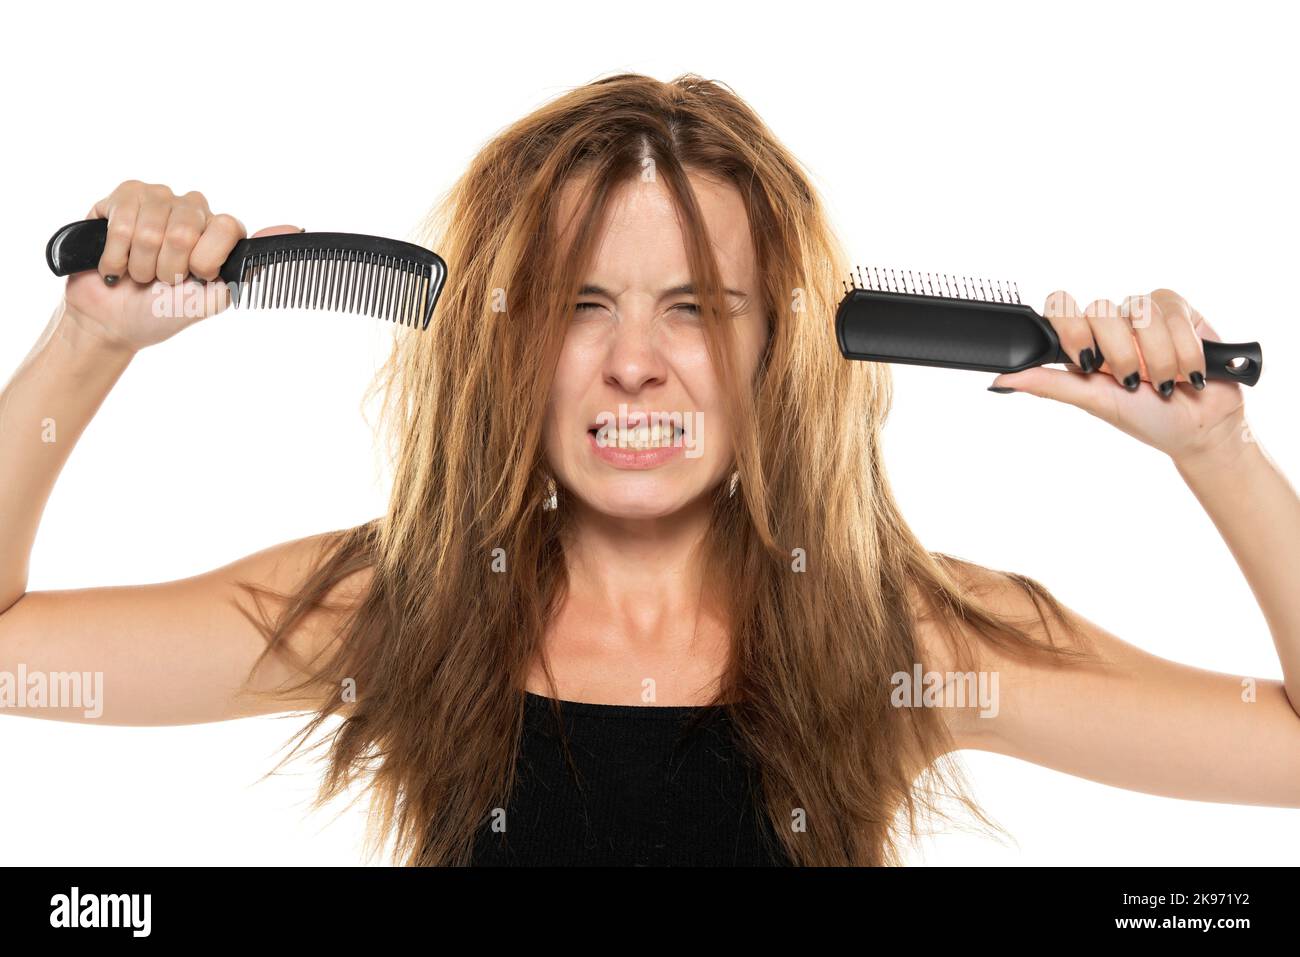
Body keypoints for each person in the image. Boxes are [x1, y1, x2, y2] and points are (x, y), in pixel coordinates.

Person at [2, 73, 1297, 867]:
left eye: (696, 306)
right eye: (578, 304)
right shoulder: (395, 613)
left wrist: (1215, 451)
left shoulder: (898, 634)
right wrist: (88, 342)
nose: (635, 363)